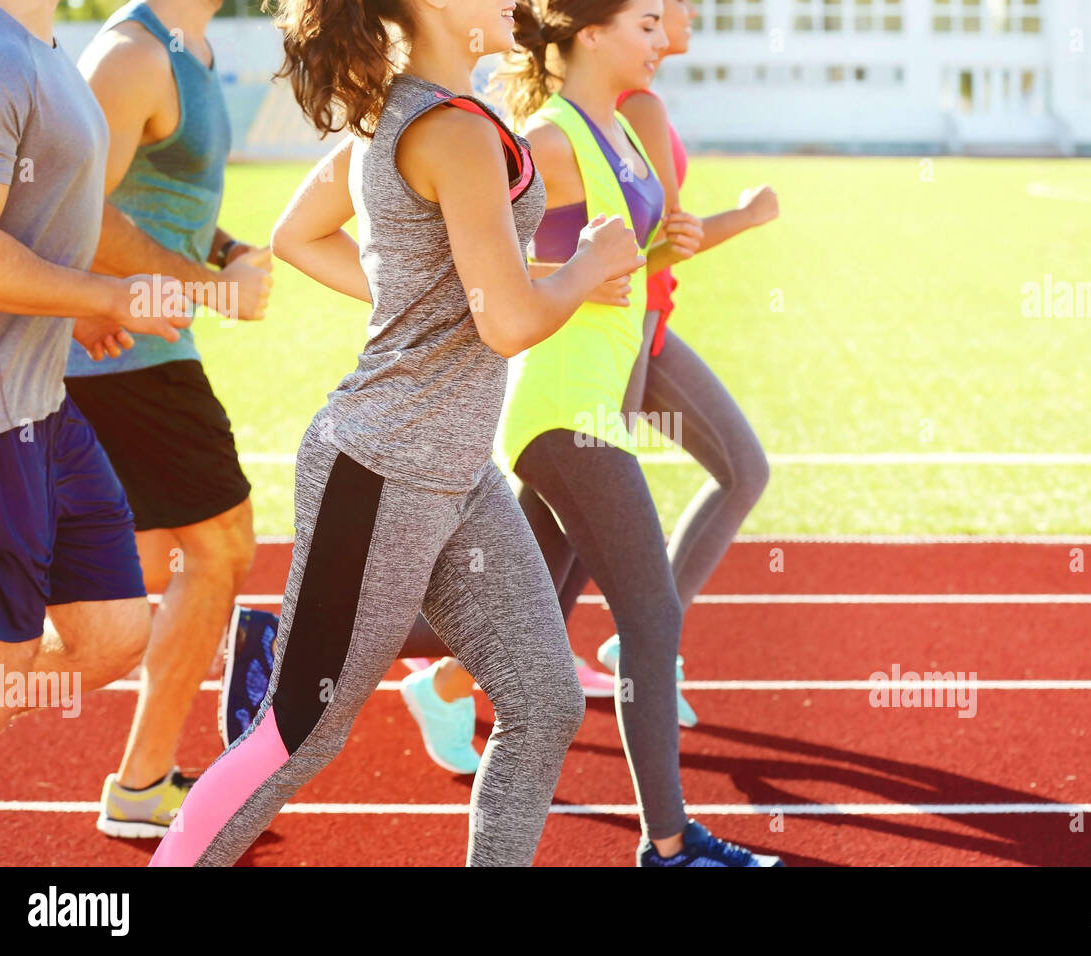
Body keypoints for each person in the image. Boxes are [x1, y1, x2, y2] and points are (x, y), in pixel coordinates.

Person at [148, 0, 642, 867]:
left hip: (459, 472)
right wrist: (587, 266)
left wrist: (423, 301)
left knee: (543, 699)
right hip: (379, 465)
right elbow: (509, 324)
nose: (513, 2)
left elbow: (299, 237)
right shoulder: (449, 130)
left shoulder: (424, 112)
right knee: (302, 733)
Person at [489, 0, 783, 866]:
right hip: (559, 408)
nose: (662, 41)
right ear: (590, 33)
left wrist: (675, 239)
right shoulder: (546, 139)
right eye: (645, 25)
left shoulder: (612, 131)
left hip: (595, 404)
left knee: (516, 616)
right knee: (651, 616)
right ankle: (669, 845)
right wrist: (565, 273)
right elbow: (465, 264)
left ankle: (283, 637)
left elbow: (628, 254)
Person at [63, 0, 275, 838]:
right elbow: (78, 209)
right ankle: (142, 783)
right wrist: (214, 289)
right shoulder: (131, 55)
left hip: (150, 343)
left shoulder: (193, 47)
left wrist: (222, 250)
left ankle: (132, 772)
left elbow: (165, 198)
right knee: (219, 547)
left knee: (147, 568)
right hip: (120, 353)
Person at [557, 0, 780, 727]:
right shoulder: (638, 107)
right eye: (655, 14)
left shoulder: (627, 103)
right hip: (627, 330)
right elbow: (665, 242)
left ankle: (641, 642)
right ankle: (449, 678)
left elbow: (646, 240)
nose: (678, 18)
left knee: (576, 531)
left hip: (644, 327)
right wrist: (748, 218)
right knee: (573, 532)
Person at [0, 0, 188, 767]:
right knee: (0, 665)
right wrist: (106, 295)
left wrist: (69, 316)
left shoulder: (48, 51)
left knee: (111, 637)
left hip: (45, 407)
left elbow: (34, 224)